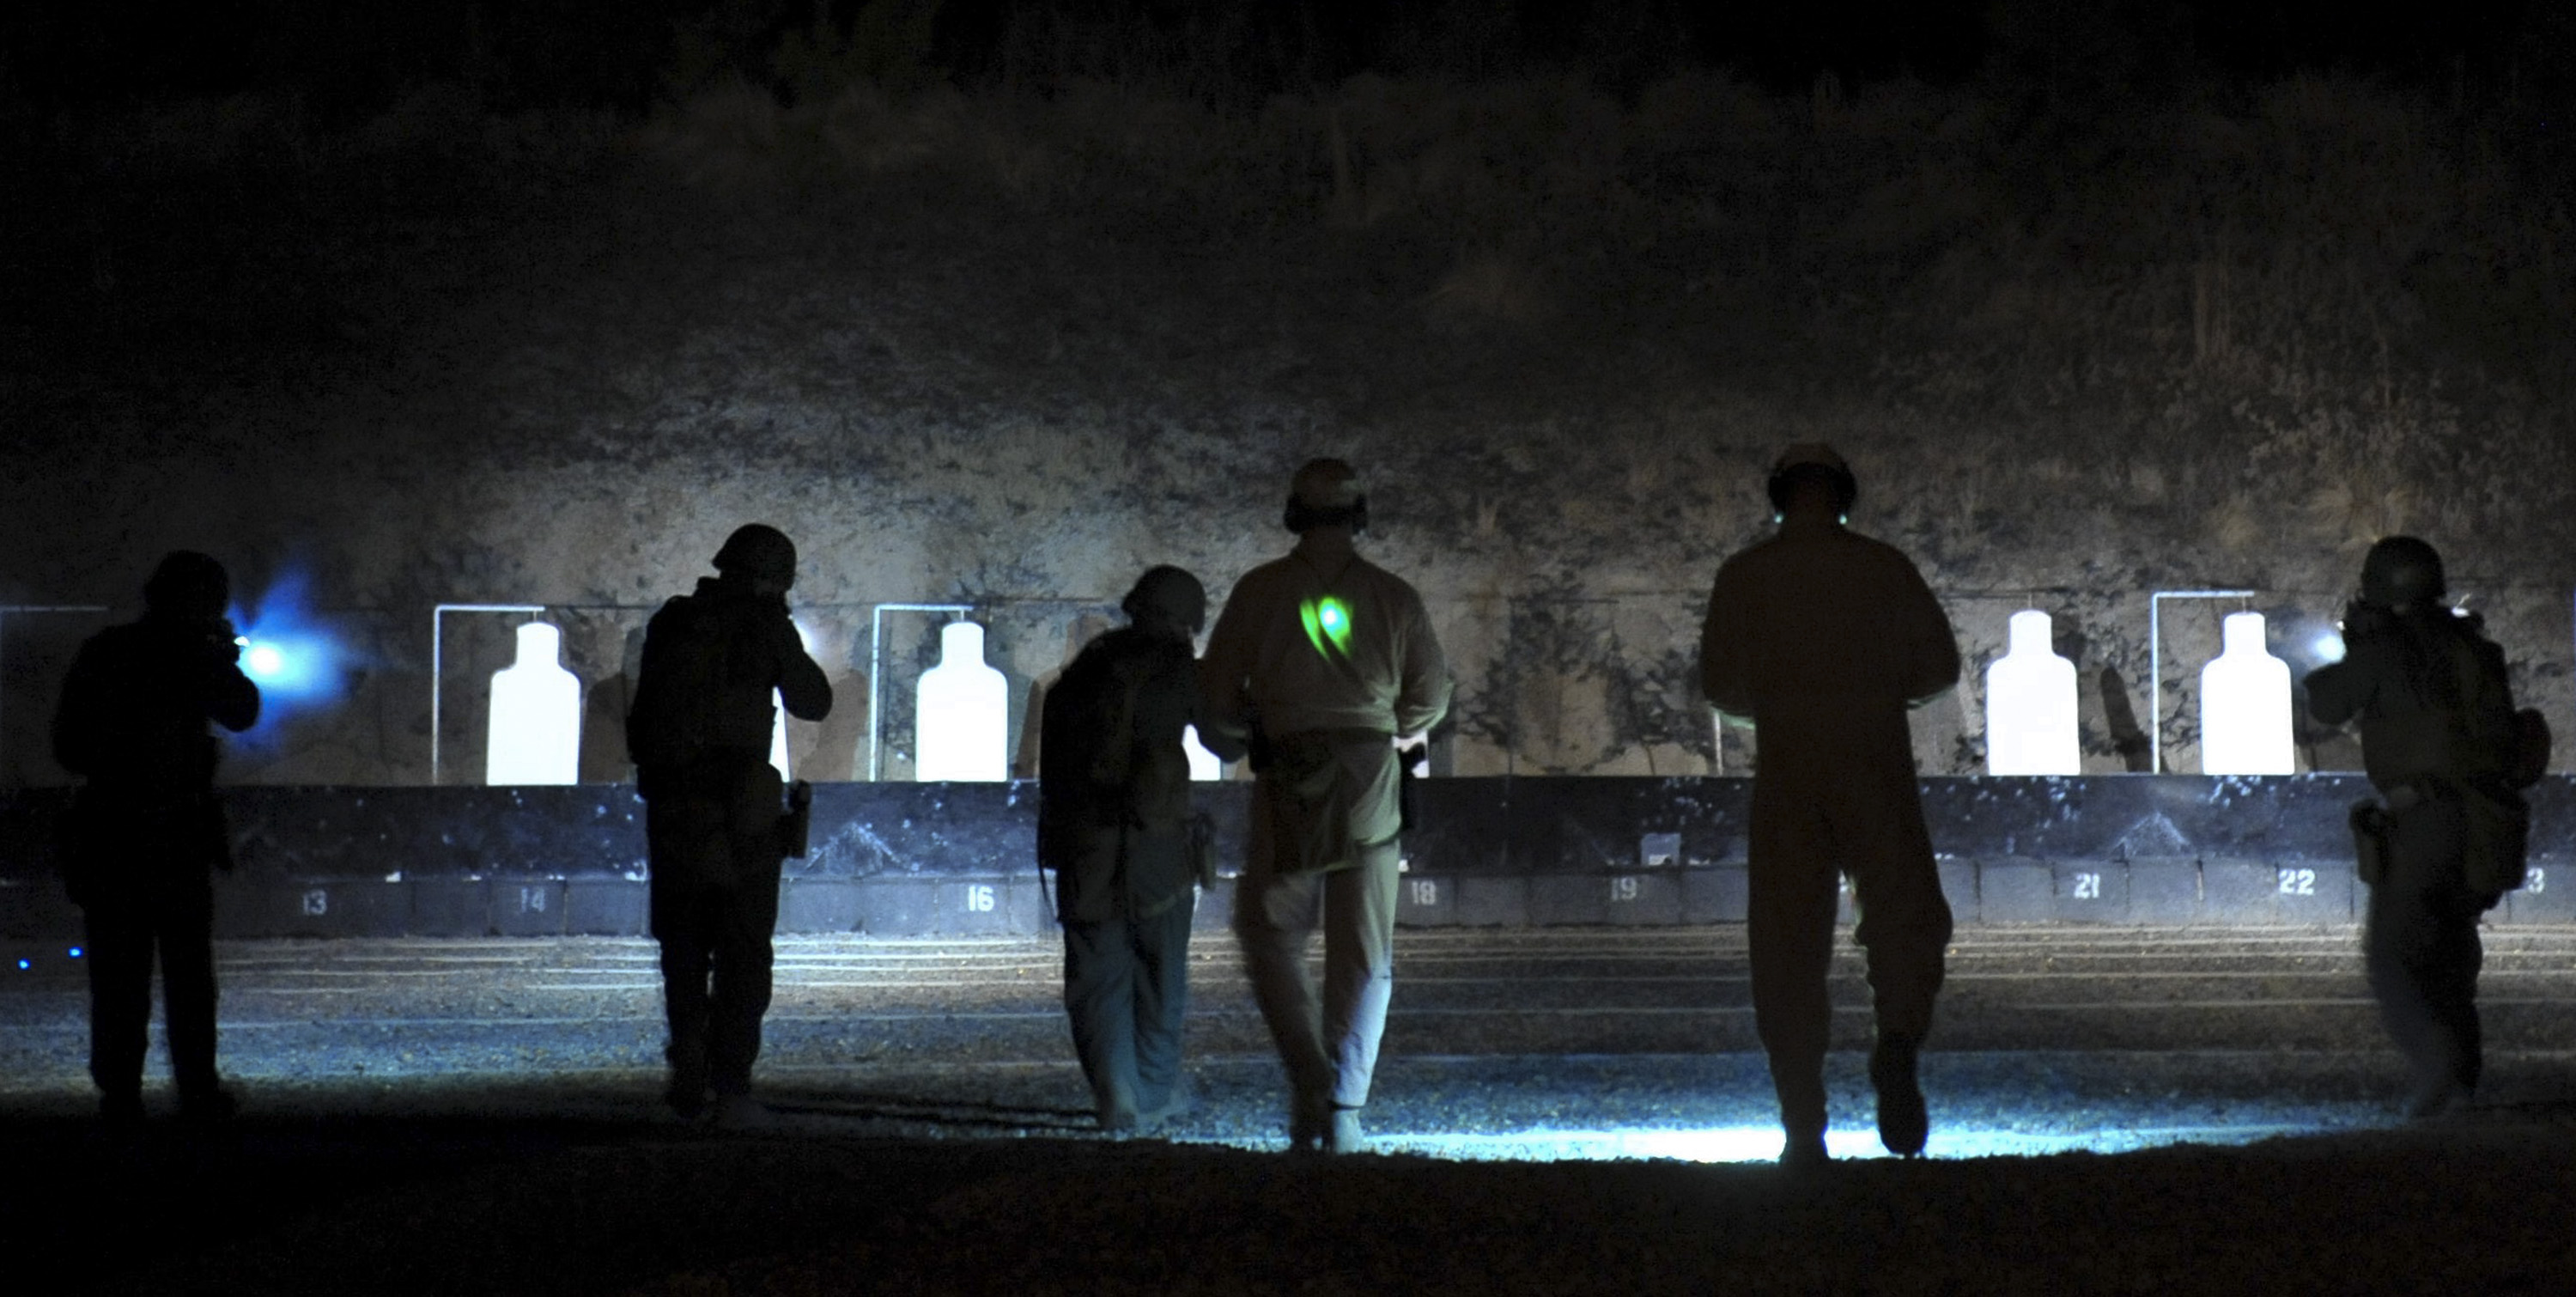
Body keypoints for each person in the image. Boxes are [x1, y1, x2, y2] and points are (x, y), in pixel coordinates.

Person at [1699, 444, 1960, 1166]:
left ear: (1778, 497)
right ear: (1845, 494)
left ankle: (1803, 1125)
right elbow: (1939, 666)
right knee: (1905, 917)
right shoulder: (1884, 568)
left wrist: (1782, 705)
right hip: (1874, 763)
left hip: (1789, 770)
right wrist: (1877, 694)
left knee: (1786, 946)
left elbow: (1719, 685)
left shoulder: (1745, 575)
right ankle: (1898, 1039)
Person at [1200, 459, 1452, 1153]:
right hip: (1370, 770)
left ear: (1291, 515)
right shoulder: (1394, 596)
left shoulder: (1260, 591)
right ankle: (1344, 1105)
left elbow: (1218, 698)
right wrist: (1383, 728)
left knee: (1270, 931)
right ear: (1360, 516)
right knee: (1365, 947)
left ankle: (1307, 1072)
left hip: (1289, 771)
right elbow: (1431, 697)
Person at [2306, 536, 2527, 1119]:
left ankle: (2438, 1072)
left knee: (2396, 958)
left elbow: (2325, 703)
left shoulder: (2386, 652)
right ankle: (2461, 1086)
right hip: (2485, 820)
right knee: (2452, 953)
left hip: (2424, 820)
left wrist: (2361, 642)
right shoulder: (2475, 648)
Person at [627, 524, 832, 1127]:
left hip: (674, 808)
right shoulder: (764, 623)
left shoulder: (674, 621)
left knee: (685, 948)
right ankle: (732, 1088)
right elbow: (813, 700)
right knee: (742, 953)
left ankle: (688, 1072)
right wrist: (779, 631)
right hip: (739, 814)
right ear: (774, 578)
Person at [51, 550, 262, 1127]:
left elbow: (68, 746)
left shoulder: (107, 651)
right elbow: (243, 712)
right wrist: (217, 657)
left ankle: (121, 1095)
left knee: (119, 978)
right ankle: (195, 1091)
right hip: (173, 834)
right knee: (188, 978)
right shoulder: (192, 655)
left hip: (116, 832)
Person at [1037, 566, 1213, 1134]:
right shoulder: (1180, 668)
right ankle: (1156, 1090)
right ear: (1188, 618)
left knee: (1097, 976)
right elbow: (1228, 736)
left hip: (1085, 843)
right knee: (1161, 974)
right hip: (1156, 848)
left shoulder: (1088, 667)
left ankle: (1116, 1099)